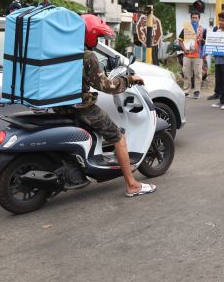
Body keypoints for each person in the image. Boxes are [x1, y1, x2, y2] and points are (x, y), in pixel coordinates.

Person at [54, 14, 155, 197]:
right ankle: (132, 185)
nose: (97, 41)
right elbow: (106, 86)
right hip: (82, 108)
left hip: (61, 106)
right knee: (118, 137)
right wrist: (129, 80)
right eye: (97, 37)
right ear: (90, 35)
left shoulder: (63, 51)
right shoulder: (87, 56)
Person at [179, 11, 206, 99]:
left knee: (198, 74)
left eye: (196, 18)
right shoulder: (186, 29)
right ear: (190, 19)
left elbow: (206, 42)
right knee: (186, 73)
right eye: (193, 18)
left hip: (198, 55)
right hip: (187, 55)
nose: (194, 19)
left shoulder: (203, 30)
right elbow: (180, 40)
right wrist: (184, 49)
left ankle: (197, 91)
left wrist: (201, 39)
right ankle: (186, 91)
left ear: (199, 19)